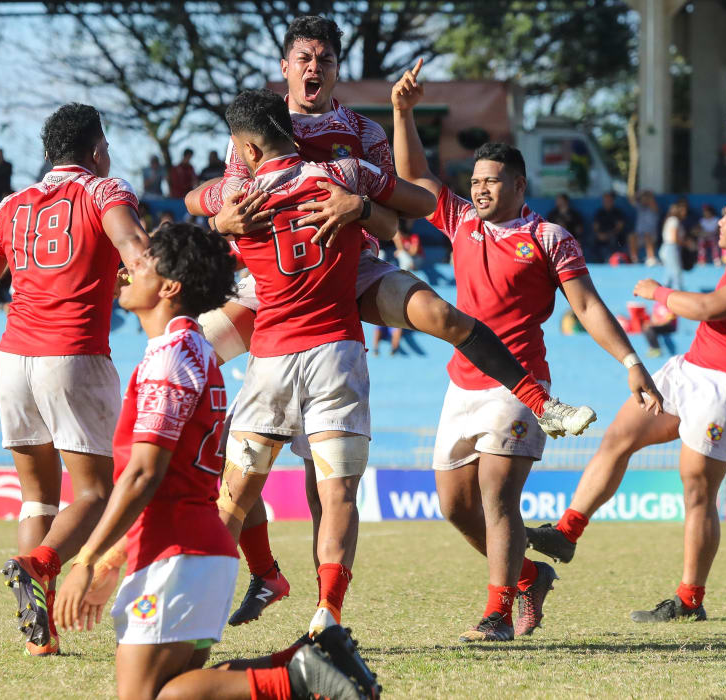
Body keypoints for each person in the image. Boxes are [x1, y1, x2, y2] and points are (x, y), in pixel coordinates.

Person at [187, 17, 594, 629]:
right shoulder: (259, 129)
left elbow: (395, 221)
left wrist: (363, 209)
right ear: (285, 67)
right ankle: (256, 562)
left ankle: (540, 400)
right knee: (188, 351)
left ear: (336, 67)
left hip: (355, 272)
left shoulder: (361, 135)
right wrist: (220, 222)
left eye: (325, 57)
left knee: (439, 315)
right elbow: (221, 200)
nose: (314, 67)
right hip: (279, 290)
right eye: (303, 57)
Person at [392, 61, 661, 642]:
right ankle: (528, 576)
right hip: (461, 383)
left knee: (496, 495)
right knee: (455, 507)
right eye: (475, 180)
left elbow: (587, 307)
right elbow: (414, 176)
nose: (479, 188)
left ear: (519, 185)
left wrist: (632, 363)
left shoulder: (549, 237)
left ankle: (495, 615)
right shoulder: (460, 219)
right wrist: (403, 111)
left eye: (492, 180)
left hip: (520, 385)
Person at [53, 223, 376, 700]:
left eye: (141, 263)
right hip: (196, 549)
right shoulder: (194, 350)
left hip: (177, 555)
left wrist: (86, 558)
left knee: (146, 695)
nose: (126, 270)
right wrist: (115, 559)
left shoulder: (172, 354)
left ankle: (298, 677)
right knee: (180, 685)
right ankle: (308, 659)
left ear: (169, 286)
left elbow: (145, 473)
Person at [191, 87, 439, 638]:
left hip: (272, 359)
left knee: (234, 494)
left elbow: (192, 207)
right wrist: (371, 212)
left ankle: (194, 610)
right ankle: (328, 613)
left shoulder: (241, 194)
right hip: (336, 353)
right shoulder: (345, 173)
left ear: (249, 149)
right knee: (337, 494)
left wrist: (217, 224)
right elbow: (419, 205)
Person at [526, 189, 726, 623]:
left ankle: (689, 600)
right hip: (689, 370)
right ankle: (566, 533)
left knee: (696, 489)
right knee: (618, 437)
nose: (717, 224)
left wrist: (659, 292)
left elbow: (711, 308)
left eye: (725, 217)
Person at [0, 103, 149, 656]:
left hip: (12, 358)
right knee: (96, 491)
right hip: (75, 355)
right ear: (96, 149)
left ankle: (42, 634)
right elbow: (131, 246)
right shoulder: (105, 191)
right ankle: (37, 564)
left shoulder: (11, 204)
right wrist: (154, 282)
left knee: (37, 499)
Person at [589, 192, 625, 263]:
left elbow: (619, 227)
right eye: (605, 201)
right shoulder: (599, 212)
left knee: (614, 239)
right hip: (601, 235)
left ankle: (611, 260)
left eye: (609, 200)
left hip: (614, 235)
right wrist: (599, 234)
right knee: (591, 239)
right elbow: (595, 227)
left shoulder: (618, 212)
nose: (607, 202)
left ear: (612, 201)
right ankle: (597, 261)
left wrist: (608, 235)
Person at [659, 201, 687, 290]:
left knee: (669, 274)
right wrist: (687, 244)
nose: (684, 212)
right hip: (671, 248)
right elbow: (674, 238)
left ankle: (662, 298)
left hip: (669, 248)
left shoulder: (672, 220)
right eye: (683, 210)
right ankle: (677, 296)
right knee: (676, 273)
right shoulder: (674, 220)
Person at [632, 190, 660, 265]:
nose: (644, 200)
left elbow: (652, 202)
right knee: (631, 237)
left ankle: (651, 258)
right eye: (642, 198)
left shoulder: (654, 209)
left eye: (646, 198)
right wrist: (639, 193)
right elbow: (631, 200)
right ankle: (634, 260)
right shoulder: (640, 208)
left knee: (646, 236)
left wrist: (648, 195)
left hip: (652, 236)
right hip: (639, 236)